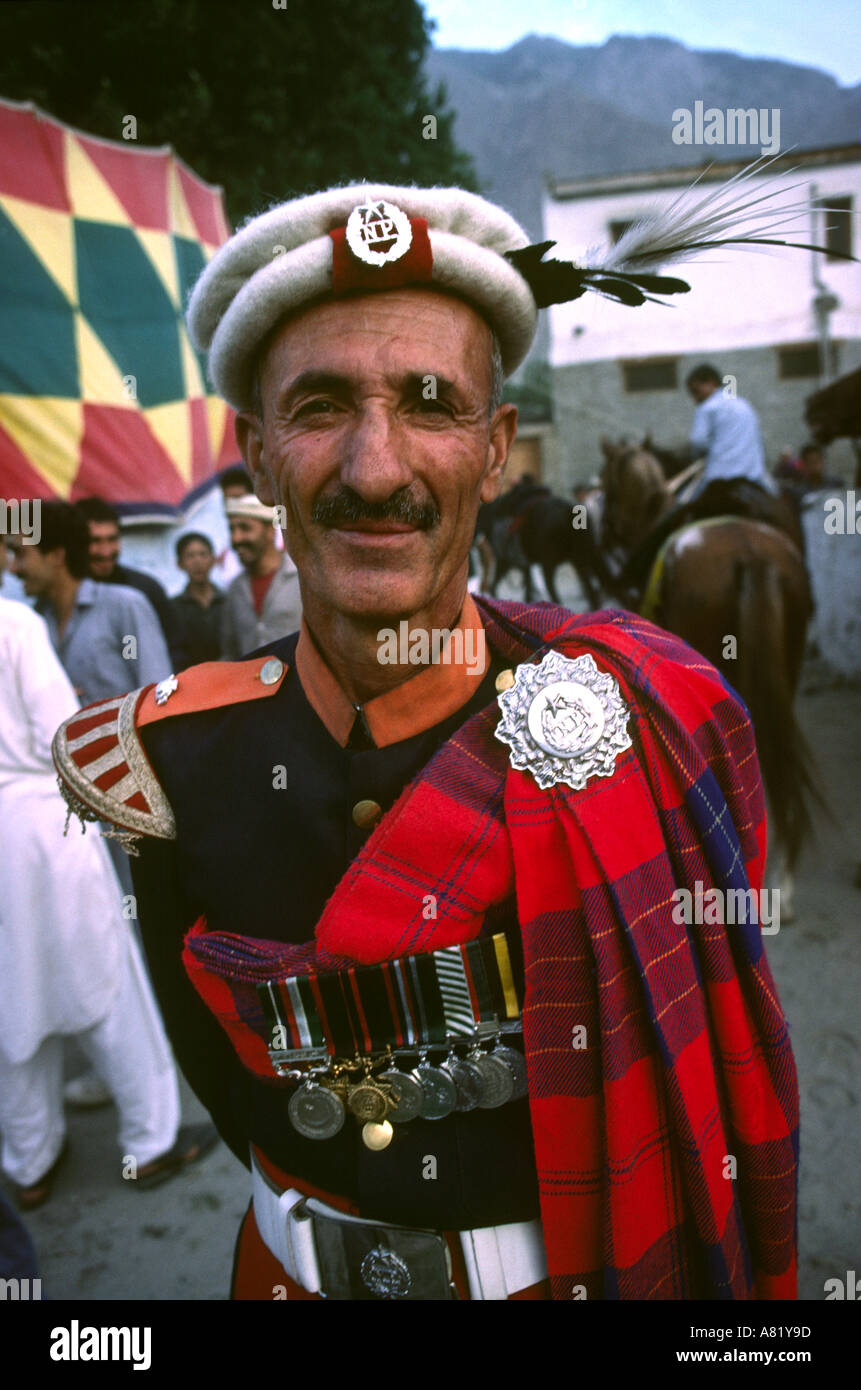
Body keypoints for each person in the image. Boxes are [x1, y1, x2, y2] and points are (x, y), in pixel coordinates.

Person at [53, 184, 798, 1301]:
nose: (374, 467)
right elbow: (221, 1075)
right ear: (256, 459)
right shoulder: (163, 761)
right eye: (318, 407)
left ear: (496, 450)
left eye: (432, 402)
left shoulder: (652, 714)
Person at [0, 536, 217, 1208]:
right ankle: (150, 1141)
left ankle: (28, 1160)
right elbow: (56, 733)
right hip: (40, 824)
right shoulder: (15, 625)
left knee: (11, 1003)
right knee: (109, 985)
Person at [621, 364, 793, 594]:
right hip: (755, 480)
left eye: (696, 391)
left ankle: (633, 579)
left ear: (711, 383)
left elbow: (698, 445)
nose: (694, 398)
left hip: (720, 482)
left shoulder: (708, 408)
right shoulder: (745, 406)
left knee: (667, 524)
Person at [10, 502, 171, 708]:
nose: (13, 568)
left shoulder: (123, 608)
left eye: (21, 554)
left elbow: (157, 691)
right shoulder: (36, 621)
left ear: (56, 556)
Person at [75, 497, 177, 660]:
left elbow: (176, 649)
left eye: (112, 539)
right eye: (95, 541)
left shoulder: (145, 589)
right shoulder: (65, 598)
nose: (106, 551)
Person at [220, 494, 302, 657]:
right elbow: (230, 652)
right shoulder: (235, 588)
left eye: (245, 528)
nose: (236, 538)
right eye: (232, 529)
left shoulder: (301, 579)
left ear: (270, 531)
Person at [170, 532, 225, 670]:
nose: (197, 562)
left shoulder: (228, 601)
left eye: (203, 554)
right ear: (180, 564)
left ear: (213, 560)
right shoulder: (173, 607)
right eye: (190, 556)